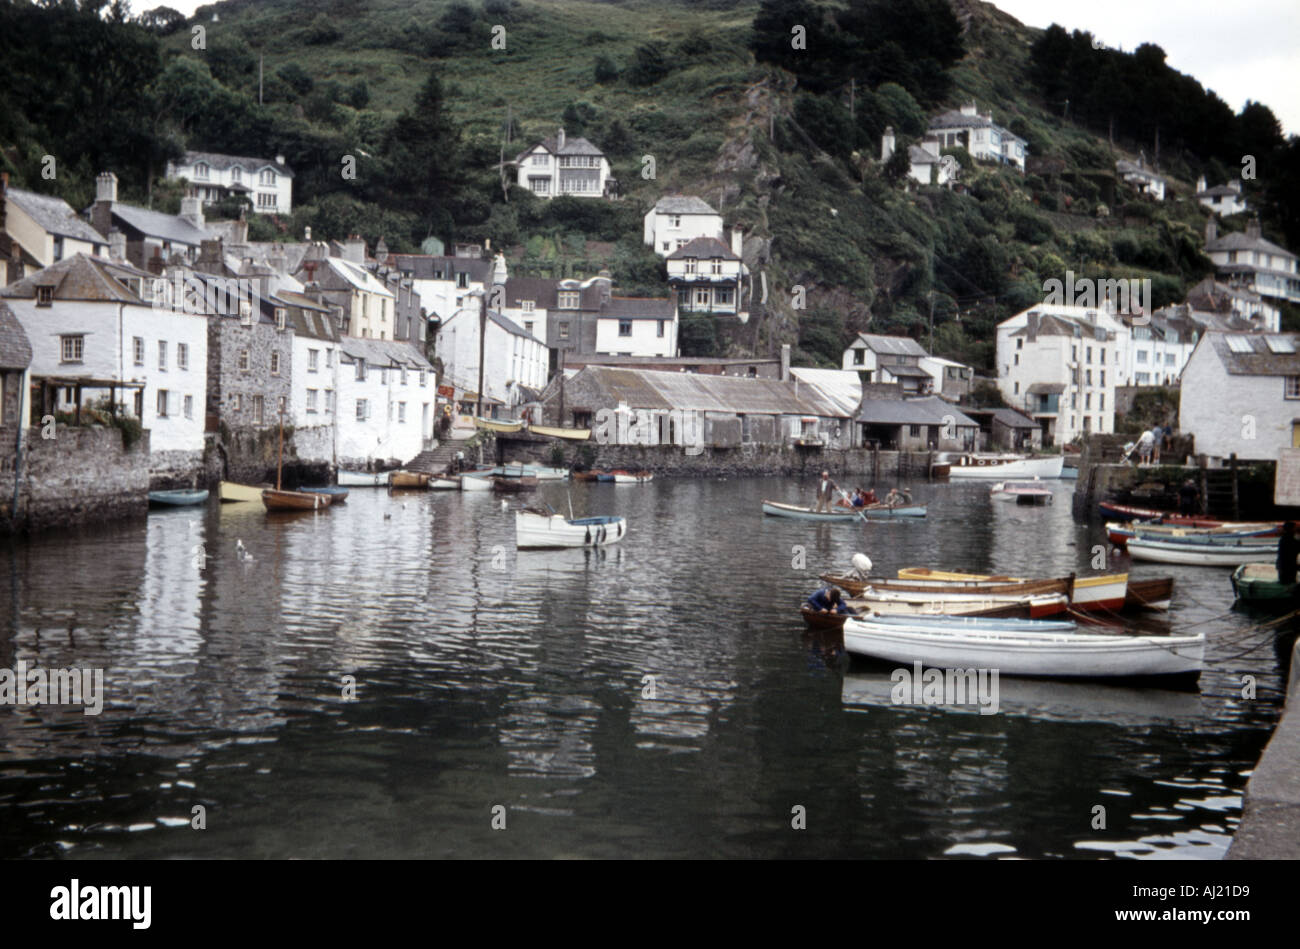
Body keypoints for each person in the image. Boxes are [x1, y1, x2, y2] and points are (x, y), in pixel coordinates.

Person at [1278, 522, 1299, 586]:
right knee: (1289, 584)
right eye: (1295, 528)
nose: (1296, 530)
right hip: (1288, 568)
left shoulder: (1284, 538)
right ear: (1292, 529)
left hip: (1284, 568)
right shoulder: (1289, 539)